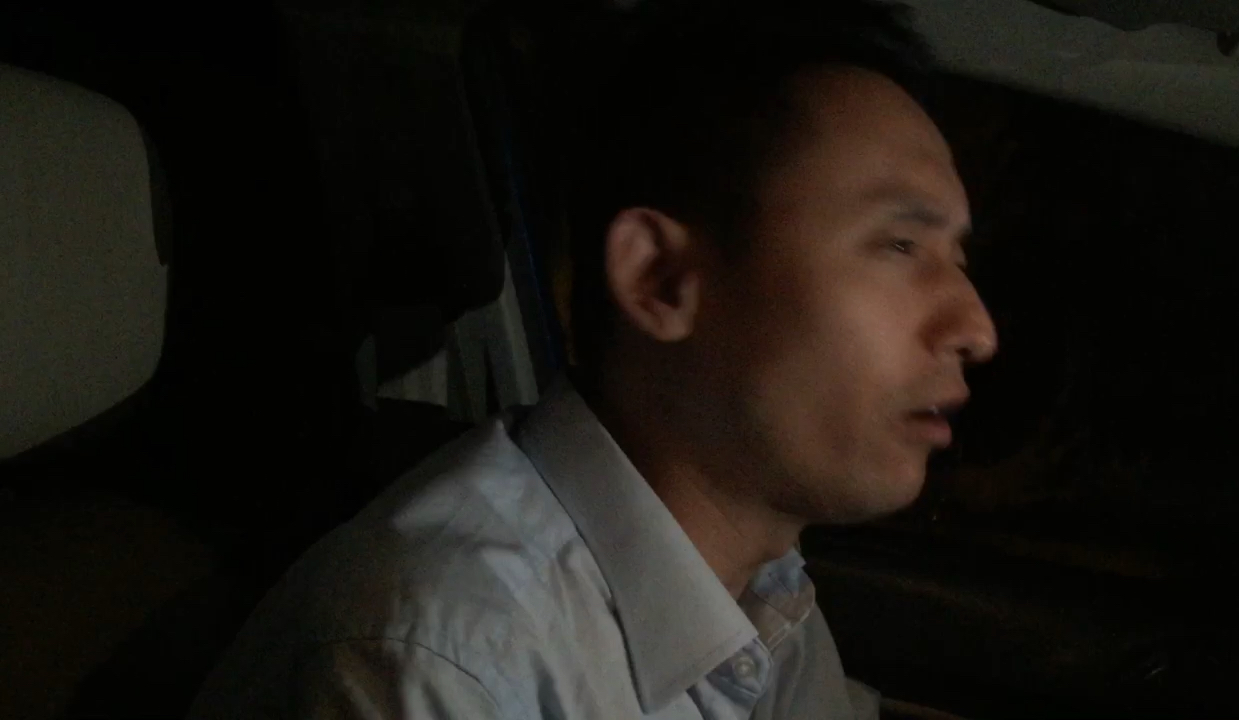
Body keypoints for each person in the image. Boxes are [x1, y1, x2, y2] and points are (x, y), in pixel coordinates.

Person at [187, 0, 997, 718]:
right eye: (899, 245)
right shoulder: (444, 659)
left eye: (957, 258)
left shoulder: (762, 583)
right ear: (661, 280)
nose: (975, 328)